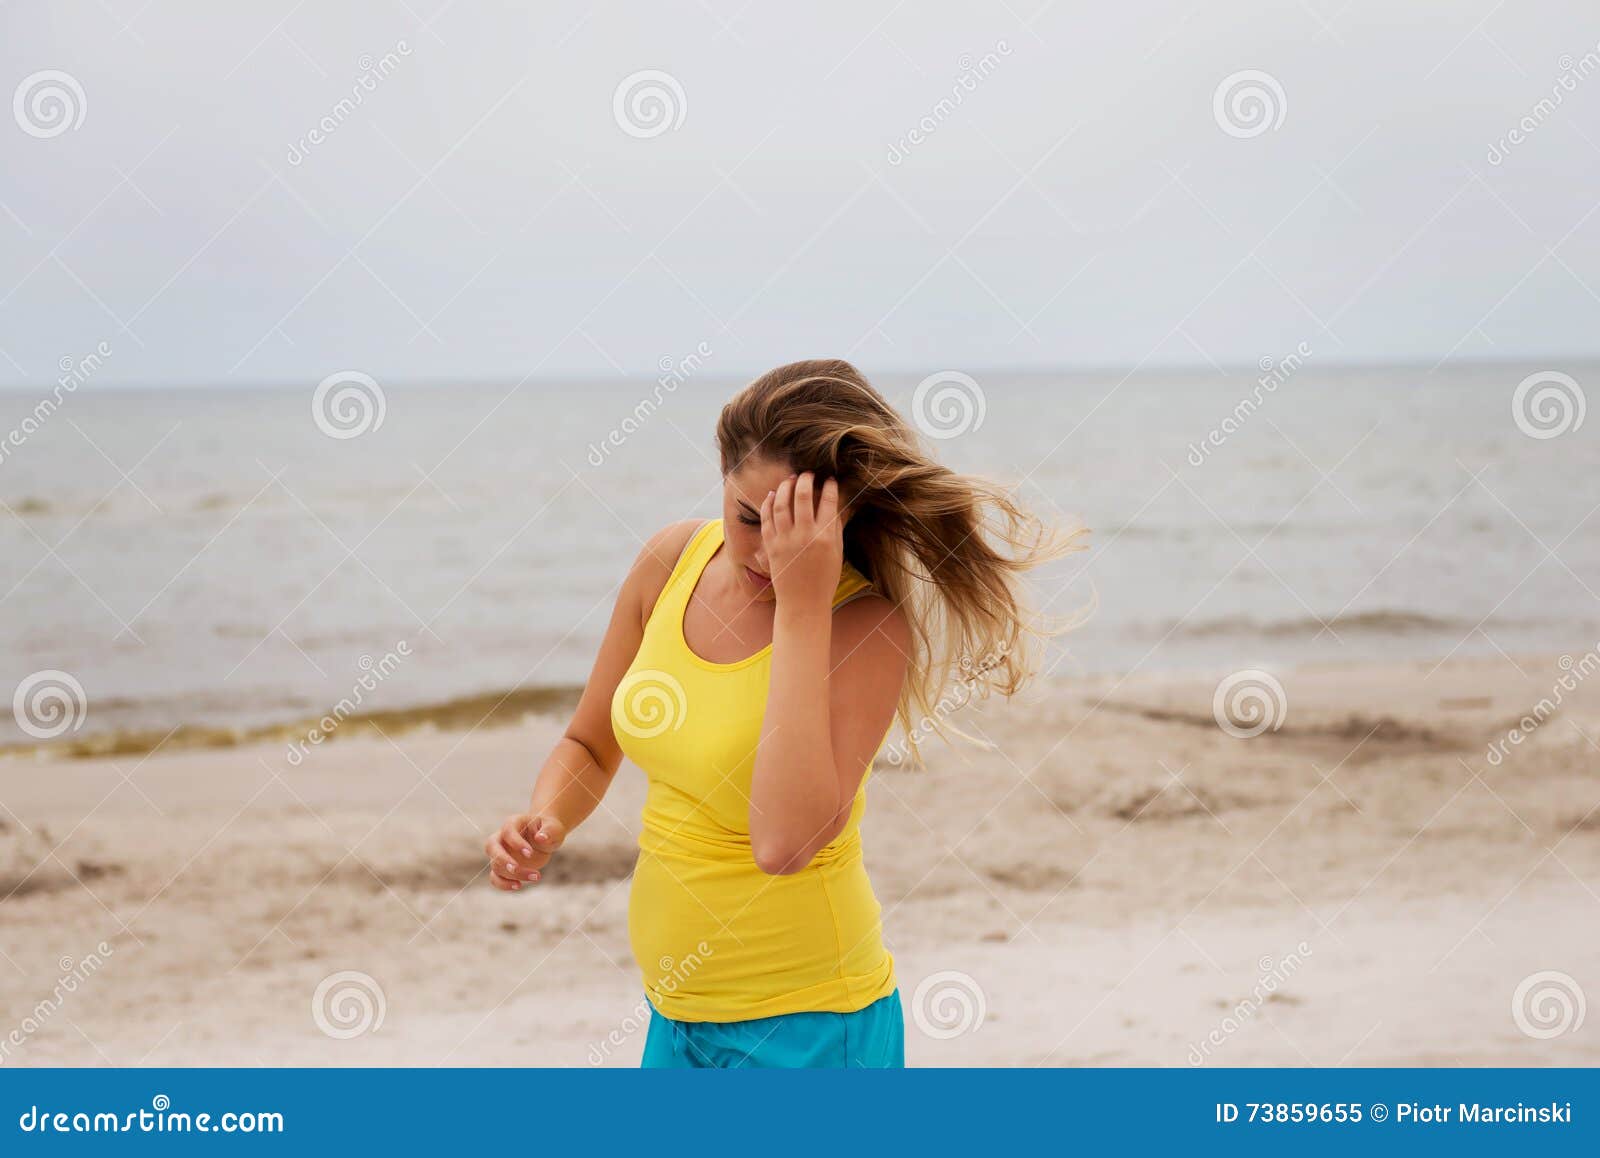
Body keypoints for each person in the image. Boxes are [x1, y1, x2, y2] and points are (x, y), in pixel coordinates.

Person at [483, 358, 1078, 1067]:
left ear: (844, 519)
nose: (769, 553)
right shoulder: (670, 561)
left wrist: (802, 605)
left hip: (810, 1026)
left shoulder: (864, 627)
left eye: (797, 531)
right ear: (722, 476)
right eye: (749, 518)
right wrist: (547, 818)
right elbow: (589, 743)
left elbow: (784, 844)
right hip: (676, 1017)